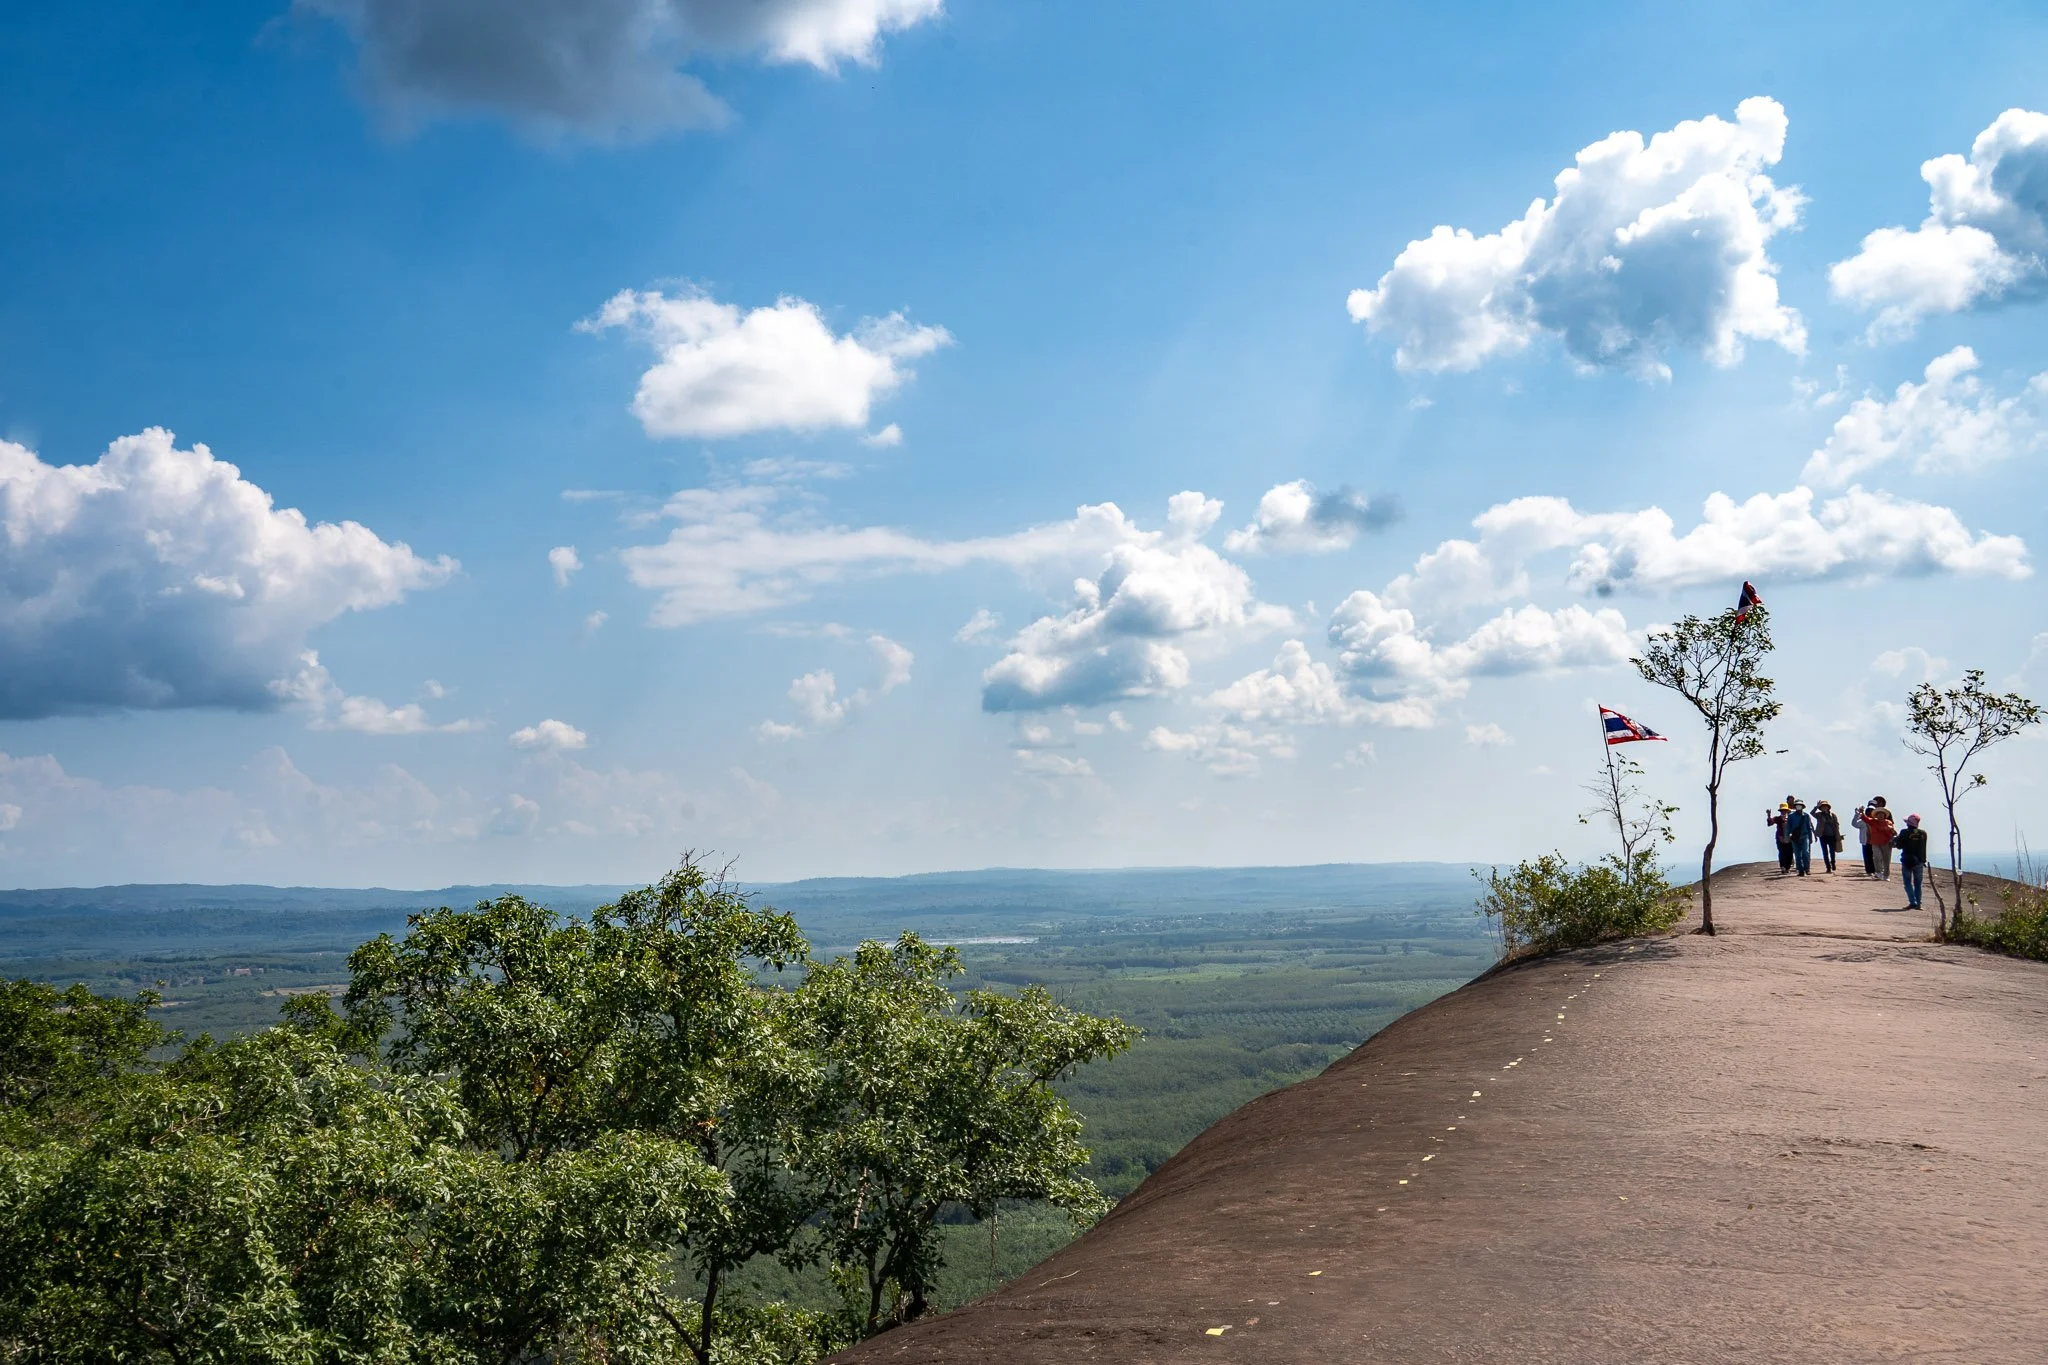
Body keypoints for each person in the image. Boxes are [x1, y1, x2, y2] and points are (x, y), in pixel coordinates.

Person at [1896, 813, 1930, 910]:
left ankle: (1912, 902)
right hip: (1919, 861)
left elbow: (1899, 846)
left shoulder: (1904, 832)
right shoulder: (1923, 833)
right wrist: (1923, 860)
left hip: (1907, 860)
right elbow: (1923, 848)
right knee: (1918, 883)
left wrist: (1896, 839)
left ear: (1908, 823)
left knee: (1907, 882)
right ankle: (1918, 903)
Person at [1867, 799, 1897, 881]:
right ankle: (1878, 872)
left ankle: (1886, 875)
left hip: (1886, 843)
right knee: (1877, 857)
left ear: (1884, 815)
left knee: (1886, 859)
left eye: (1882, 814)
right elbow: (1866, 819)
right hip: (1875, 842)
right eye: (1879, 814)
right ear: (1876, 815)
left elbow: (1893, 832)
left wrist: (1892, 831)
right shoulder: (1873, 821)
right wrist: (1861, 813)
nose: (1880, 815)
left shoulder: (1889, 822)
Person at [1785, 800, 1814, 877]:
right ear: (1795, 807)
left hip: (1805, 836)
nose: (1798, 806)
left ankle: (1807, 869)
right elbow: (1788, 827)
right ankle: (1800, 870)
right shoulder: (1791, 816)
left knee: (1805, 852)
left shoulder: (1806, 816)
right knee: (1797, 855)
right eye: (1797, 805)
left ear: (1802, 807)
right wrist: (1787, 836)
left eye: (1800, 805)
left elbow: (1809, 827)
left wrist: (1811, 838)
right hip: (1795, 838)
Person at [1814, 800, 1841, 873]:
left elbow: (1836, 825)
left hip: (1832, 835)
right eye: (1822, 807)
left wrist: (1838, 835)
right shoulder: (1819, 815)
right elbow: (1812, 813)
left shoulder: (1833, 815)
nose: (1824, 808)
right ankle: (1828, 867)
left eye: (1825, 806)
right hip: (1822, 836)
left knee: (1832, 851)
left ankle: (1833, 862)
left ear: (1828, 807)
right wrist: (1816, 807)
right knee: (1825, 852)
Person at [1767, 802, 1792, 873]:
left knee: (1789, 853)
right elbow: (1770, 823)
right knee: (1782, 852)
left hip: (1790, 839)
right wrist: (1769, 815)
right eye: (1782, 810)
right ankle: (1783, 867)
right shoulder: (1777, 818)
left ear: (1787, 811)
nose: (1783, 812)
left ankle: (1787, 868)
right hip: (1780, 839)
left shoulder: (1791, 818)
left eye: (1785, 810)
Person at [1853, 801, 1875, 876]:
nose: (1870, 812)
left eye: (1871, 811)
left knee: (1875, 857)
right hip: (1865, 841)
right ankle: (1869, 871)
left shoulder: (1876, 821)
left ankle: (1874, 870)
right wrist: (1857, 815)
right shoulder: (1863, 821)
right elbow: (1854, 824)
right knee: (1867, 857)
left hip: (1875, 841)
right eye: (1869, 811)